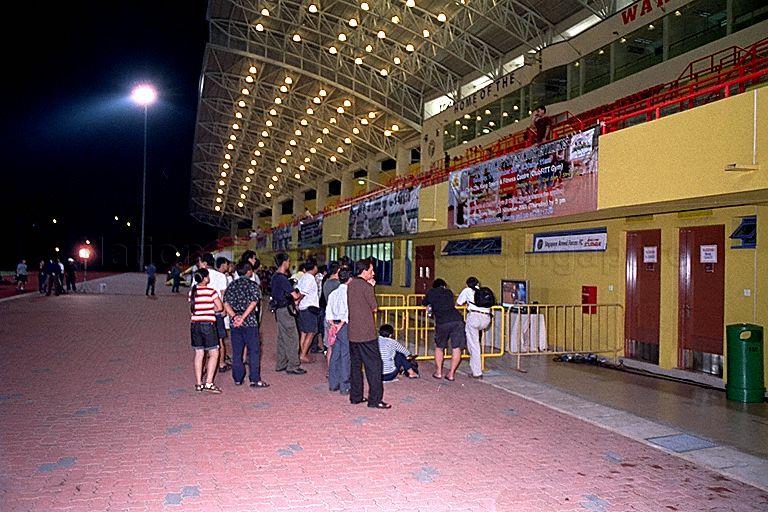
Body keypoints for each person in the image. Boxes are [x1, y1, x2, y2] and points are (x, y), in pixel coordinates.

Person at [347, 259, 390, 409]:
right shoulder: (366, 286)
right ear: (364, 271)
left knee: (355, 366)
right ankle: (375, 399)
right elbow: (374, 307)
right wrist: (371, 287)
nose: (373, 273)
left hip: (353, 333)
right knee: (374, 366)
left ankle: (356, 396)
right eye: (371, 270)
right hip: (366, 334)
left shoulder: (350, 284)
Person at [223, 262, 268, 388]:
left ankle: (238, 378)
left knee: (237, 352)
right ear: (248, 271)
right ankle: (254, 379)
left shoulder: (232, 285)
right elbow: (254, 303)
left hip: (235, 323)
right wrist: (243, 317)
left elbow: (225, 303)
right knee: (254, 351)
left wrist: (235, 317)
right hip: (250, 322)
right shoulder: (253, 285)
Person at [422, 278, 466, 381]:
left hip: (442, 322)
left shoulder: (431, 292)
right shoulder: (449, 292)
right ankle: (451, 374)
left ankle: (438, 373)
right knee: (456, 348)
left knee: (439, 347)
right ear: (445, 286)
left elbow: (425, 303)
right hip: (457, 320)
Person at [270, 253, 306, 375]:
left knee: (282, 337)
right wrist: (300, 294)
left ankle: (281, 363)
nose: (289, 264)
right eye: (288, 261)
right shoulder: (282, 278)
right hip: (286, 310)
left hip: (278, 309)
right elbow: (295, 296)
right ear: (284, 262)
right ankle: (293, 365)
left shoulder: (274, 277)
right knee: (293, 337)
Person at [188, 268, 223, 394]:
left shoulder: (192, 292)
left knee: (199, 353)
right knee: (214, 352)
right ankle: (209, 383)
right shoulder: (211, 292)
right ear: (204, 279)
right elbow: (219, 307)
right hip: (208, 324)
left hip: (195, 325)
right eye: (207, 276)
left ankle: (198, 383)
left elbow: (192, 308)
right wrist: (210, 307)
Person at [456, 277, 491, 379]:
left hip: (474, 318)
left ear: (467, 284)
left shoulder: (467, 290)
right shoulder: (482, 291)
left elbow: (459, 302)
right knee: (475, 343)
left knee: (474, 345)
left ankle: (477, 372)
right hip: (486, 319)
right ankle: (475, 366)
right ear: (478, 284)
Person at [326, 267, 352, 395]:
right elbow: (347, 311)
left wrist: (333, 325)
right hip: (344, 325)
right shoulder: (349, 293)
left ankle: (333, 383)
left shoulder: (333, 293)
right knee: (346, 355)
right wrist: (341, 324)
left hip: (333, 325)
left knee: (335, 354)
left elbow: (328, 311)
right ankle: (345, 385)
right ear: (350, 278)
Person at [296, 260, 320, 364]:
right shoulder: (309, 278)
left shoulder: (304, 277)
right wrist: (297, 300)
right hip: (309, 308)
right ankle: (303, 354)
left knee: (304, 333)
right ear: (314, 267)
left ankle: (303, 352)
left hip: (303, 307)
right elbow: (302, 293)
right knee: (311, 332)